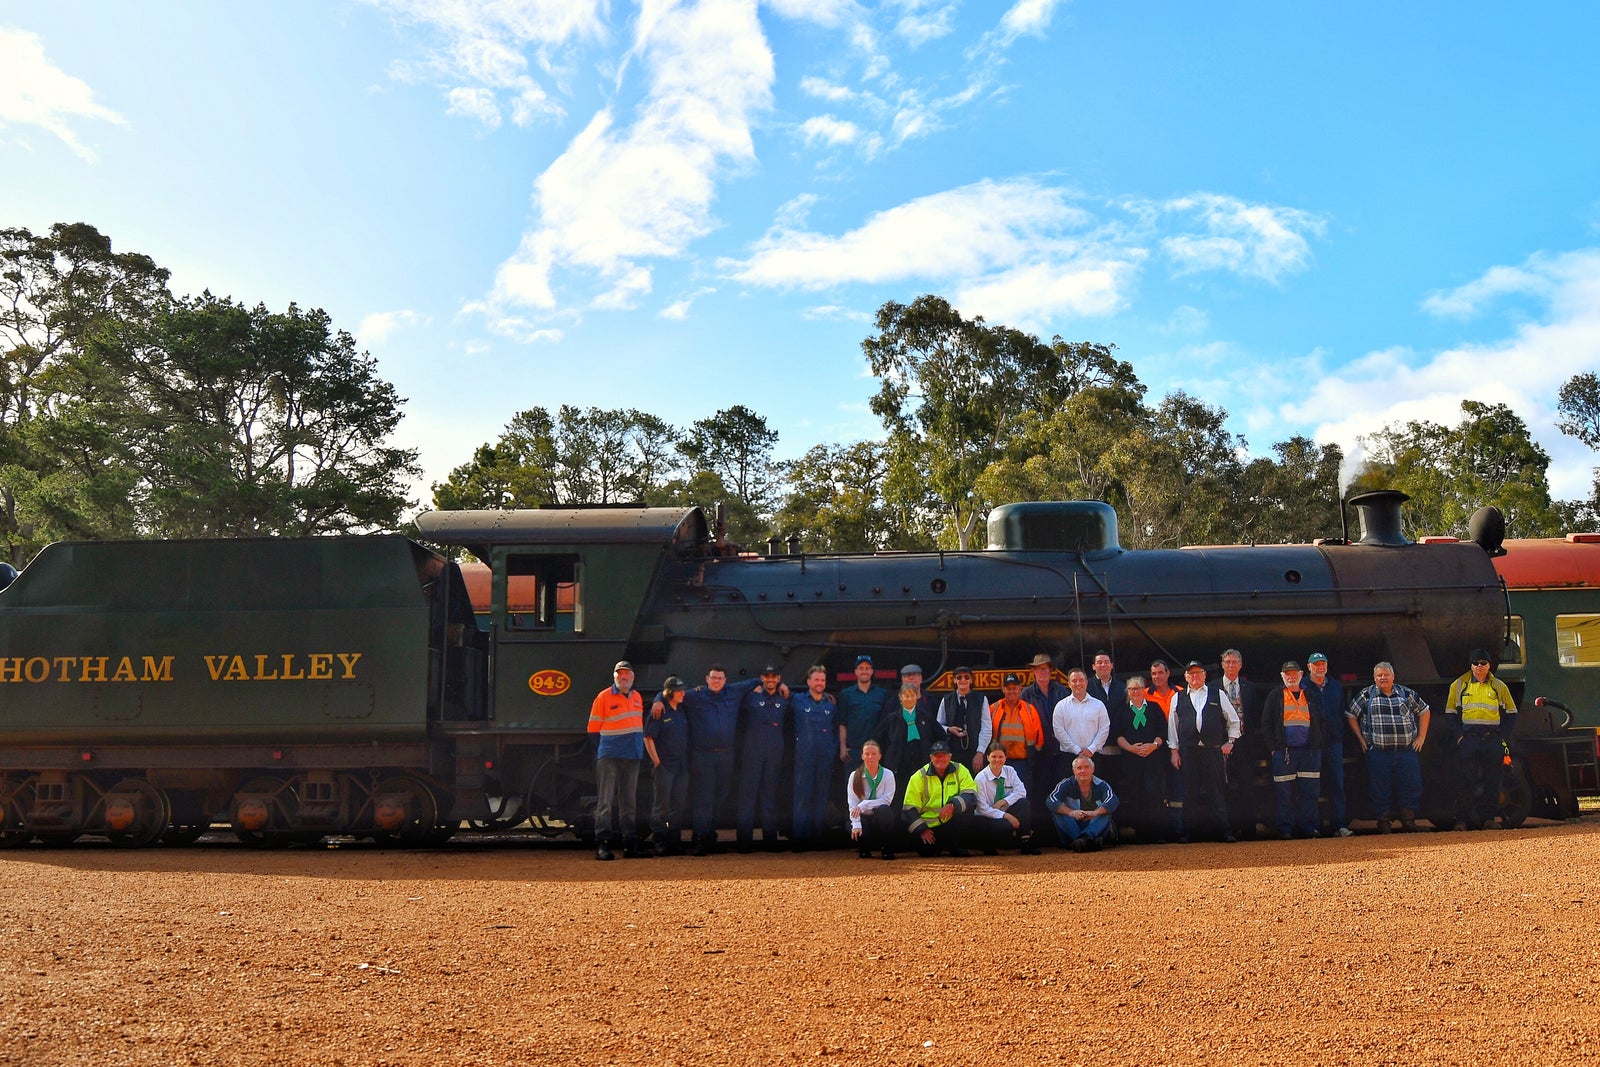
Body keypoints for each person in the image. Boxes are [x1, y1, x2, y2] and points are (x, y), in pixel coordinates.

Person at [655, 665, 764, 856]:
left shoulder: (733, 691)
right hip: (703, 755)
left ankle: (710, 835)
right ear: (706, 679)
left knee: (721, 796)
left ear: (725, 680)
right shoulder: (695, 696)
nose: (716, 681)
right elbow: (669, 694)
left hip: (726, 755)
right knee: (703, 798)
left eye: (720, 678)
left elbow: (758, 680)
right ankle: (700, 838)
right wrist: (657, 700)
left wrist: (780, 688)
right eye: (713, 678)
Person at [1347, 661, 1431, 834]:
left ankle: (1409, 821)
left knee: (1410, 785)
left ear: (1393, 676)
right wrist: (1361, 739)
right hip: (1379, 752)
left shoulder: (1406, 693)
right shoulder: (1366, 694)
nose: (1383, 678)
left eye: (1386, 675)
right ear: (1374, 678)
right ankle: (1383, 822)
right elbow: (1350, 714)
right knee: (1379, 787)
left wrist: (1422, 736)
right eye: (1379, 675)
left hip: (1406, 750)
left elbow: (1424, 710)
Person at [1168, 660, 1241, 843]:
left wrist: (1230, 741)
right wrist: (1174, 751)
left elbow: (1234, 720)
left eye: (1198, 673)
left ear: (1204, 675)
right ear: (1186, 677)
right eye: (1191, 673)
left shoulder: (1218, 694)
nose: (1195, 676)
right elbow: (1172, 727)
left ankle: (1224, 832)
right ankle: (1187, 833)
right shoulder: (1178, 697)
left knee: (1216, 792)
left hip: (1212, 751)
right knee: (1189, 792)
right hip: (1189, 752)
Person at [1445, 649, 1518, 830]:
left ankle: (1489, 819)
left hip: (1492, 739)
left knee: (1493, 780)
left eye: (1483, 663)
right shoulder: (1459, 685)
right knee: (1465, 780)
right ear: (1471, 665)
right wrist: (1460, 737)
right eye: (1476, 663)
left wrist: (1503, 737)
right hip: (1469, 739)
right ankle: (1461, 820)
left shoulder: (1499, 686)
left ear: (1489, 665)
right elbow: (1450, 713)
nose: (1479, 666)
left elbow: (1512, 712)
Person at [587, 660, 648, 861]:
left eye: (627, 674)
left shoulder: (637, 697)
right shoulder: (603, 697)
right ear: (614, 677)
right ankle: (602, 844)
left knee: (629, 802)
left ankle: (630, 844)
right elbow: (593, 730)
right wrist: (602, 753)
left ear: (633, 677)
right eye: (620, 674)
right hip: (610, 757)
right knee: (605, 802)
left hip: (632, 756)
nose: (623, 677)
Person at [1260, 661, 1324, 839]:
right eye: (1287, 673)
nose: (1291, 676)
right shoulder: (1275, 696)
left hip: (1308, 752)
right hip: (1284, 753)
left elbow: (1321, 720)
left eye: (1294, 673)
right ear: (1282, 676)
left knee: (1310, 792)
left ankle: (1309, 828)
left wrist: (1316, 744)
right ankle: (1285, 829)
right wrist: (1273, 749)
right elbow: (1266, 724)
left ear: (1301, 674)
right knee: (1284, 793)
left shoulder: (1310, 695)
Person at [735, 665, 790, 852]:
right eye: (767, 676)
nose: (771, 680)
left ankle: (770, 841)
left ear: (778, 678)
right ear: (762, 678)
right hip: (753, 753)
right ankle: (744, 841)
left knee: (770, 796)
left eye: (774, 676)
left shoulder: (783, 700)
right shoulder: (751, 697)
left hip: (773, 754)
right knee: (747, 797)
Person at [1112, 675, 1167, 843]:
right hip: (1131, 761)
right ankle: (1141, 834)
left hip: (1153, 759)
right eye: (1131, 689)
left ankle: (1158, 833)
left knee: (1154, 794)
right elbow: (1117, 735)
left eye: (1138, 688)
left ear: (1143, 690)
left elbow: (1162, 731)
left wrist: (1153, 746)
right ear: (1127, 692)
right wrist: (1131, 748)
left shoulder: (1154, 707)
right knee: (1136, 795)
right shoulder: (1121, 711)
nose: (1135, 692)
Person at [900, 741, 978, 857]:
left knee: (967, 809)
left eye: (944, 755)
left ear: (950, 756)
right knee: (927, 852)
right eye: (937, 755)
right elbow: (908, 808)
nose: (940, 758)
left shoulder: (960, 770)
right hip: (929, 827)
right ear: (931, 757)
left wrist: (953, 805)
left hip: (951, 823)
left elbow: (971, 795)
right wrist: (922, 829)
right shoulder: (919, 776)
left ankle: (955, 845)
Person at [1021, 653, 1071, 832]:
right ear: (1033, 672)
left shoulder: (1062, 691)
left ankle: (1061, 831)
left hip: (1061, 751)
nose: (1041, 672)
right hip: (1039, 753)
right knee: (1039, 793)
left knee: (1061, 793)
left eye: (1044, 669)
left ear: (1050, 671)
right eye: (1038, 669)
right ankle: (1042, 833)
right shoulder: (1026, 695)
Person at [790, 665, 837, 850]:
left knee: (821, 797)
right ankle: (800, 840)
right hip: (804, 756)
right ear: (809, 682)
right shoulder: (798, 700)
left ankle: (817, 839)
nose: (819, 683)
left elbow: (835, 729)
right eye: (816, 680)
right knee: (802, 797)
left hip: (825, 756)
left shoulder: (830, 705)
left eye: (823, 680)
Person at [643, 674, 691, 855]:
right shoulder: (659, 711)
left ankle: (674, 841)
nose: (683, 694)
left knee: (678, 805)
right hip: (665, 766)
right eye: (679, 691)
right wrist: (656, 761)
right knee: (661, 805)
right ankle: (660, 841)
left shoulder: (681, 710)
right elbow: (648, 737)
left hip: (681, 765)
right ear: (670, 693)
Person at [1306, 652, 1351, 836]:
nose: (1320, 667)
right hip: (1312, 743)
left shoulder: (1336, 686)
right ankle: (1313, 825)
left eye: (1323, 663)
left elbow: (1341, 711)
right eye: (1316, 664)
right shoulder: (1303, 686)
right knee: (1311, 786)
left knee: (1336, 784)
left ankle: (1339, 824)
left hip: (1333, 742)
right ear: (1309, 667)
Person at [1219, 648, 1262, 839]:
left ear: (1240, 665)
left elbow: (1255, 717)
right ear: (1222, 665)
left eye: (1234, 662)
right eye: (1227, 662)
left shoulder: (1250, 687)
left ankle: (1249, 830)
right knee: (1224, 787)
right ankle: (1229, 828)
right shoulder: (1213, 688)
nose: (1231, 665)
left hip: (1245, 744)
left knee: (1247, 786)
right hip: (1222, 744)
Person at [970, 743, 1040, 854]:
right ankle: (989, 845)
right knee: (1005, 826)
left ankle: (1025, 842)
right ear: (987, 757)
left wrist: (1004, 801)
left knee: (1023, 803)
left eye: (1001, 757)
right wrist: (1006, 816)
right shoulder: (980, 778)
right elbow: (982, 809)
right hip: (987, 816)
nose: (997, 760)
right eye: (994, 757)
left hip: (1004, 809)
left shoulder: (1010, 771)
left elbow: (1022, 792)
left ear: (1005, 758)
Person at [874, 684, 944, 792]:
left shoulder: (926, 716)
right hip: (899, 766)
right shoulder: (892, 719)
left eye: (912, 695)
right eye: (906, 696)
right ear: (900, 697)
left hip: (922, 763)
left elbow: (940, 735)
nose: (910, 698)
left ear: (917, 697)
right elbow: (878, 739)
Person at [1048, 754, 1120, 852]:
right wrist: (1071, 813)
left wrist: (1095, 813)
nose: (1083, 771)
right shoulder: (1066, 783)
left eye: (1086, 767)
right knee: (1058, 813)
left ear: (1093, 769)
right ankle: (1088, 842)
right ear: (1074, 771)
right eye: (1079, 768)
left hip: (1094, 825)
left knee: (1105, 812)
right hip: (1073, 825)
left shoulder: (1102, 784)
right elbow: (1051, 800)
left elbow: (1113, 801)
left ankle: (1083, 840)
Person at [989, 672, 1045, 795]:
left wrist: (1035, 756)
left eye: (1014, 688)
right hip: (999, 762)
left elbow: (1039, 735)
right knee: (998, 795)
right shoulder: (994, 708)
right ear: (1003, 689)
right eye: (1008, 688)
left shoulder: (1029, 709)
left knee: (1022, 796)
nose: (1011, 691)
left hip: (1022, 762)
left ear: (1020, 689)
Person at [847, 739, 898, 860]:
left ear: (880, 756)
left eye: (874, 754)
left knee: (885, 811)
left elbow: (887, 800)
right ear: (862, 756)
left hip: (879, 817)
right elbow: (853, 803)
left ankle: (886, 848)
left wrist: (865, 804)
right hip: (864, 818)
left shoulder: (888, 774)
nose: (870, 757)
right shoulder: (854, 776)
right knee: (851, 825)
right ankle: (864, 847)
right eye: (867, 754)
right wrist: (856, 824)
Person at [838, 654, 893, 765]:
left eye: (867, 668)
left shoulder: (882, 694)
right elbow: (842, 723)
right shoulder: (846, 694)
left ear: (872, 671)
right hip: (854, 750)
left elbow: (887, 723)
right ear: (856, 671)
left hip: (875, 749)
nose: (864, 671)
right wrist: (843, 747)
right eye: (861, 668)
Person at [936, 666, 991, 771]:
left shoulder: (981, 699)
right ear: (954, 680)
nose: (963, 680)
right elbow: (938, 725)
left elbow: (986, 728)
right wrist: (949, 729)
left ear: (971, 680)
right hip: (952, 752)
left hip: (974, 751)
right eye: (959, 677)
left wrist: (980, 753)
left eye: (966, 677)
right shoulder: (946, 699)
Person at [1052, 667, 1111, 763]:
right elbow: (1058, 730)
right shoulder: (1061, 706)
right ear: (1069, 684)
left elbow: (1104, 728)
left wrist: (1091, 749)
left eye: (1081, 680)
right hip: (1069, 756)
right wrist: (1076, 750)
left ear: (1086, 682)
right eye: (1074, 681)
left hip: (1093, 755)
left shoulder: (1098, 705)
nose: (1078, 684)